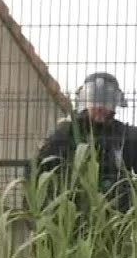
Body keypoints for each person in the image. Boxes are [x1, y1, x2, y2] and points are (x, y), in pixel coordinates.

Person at [37, 72, 137, 211]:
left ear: (115, 102)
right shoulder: (66, 132)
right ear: (85, 100)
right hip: (73, 210)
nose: (100, 107)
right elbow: (39, 169)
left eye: (106, 101)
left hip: (118, 210)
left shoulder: (127, 135)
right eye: (94, 99)